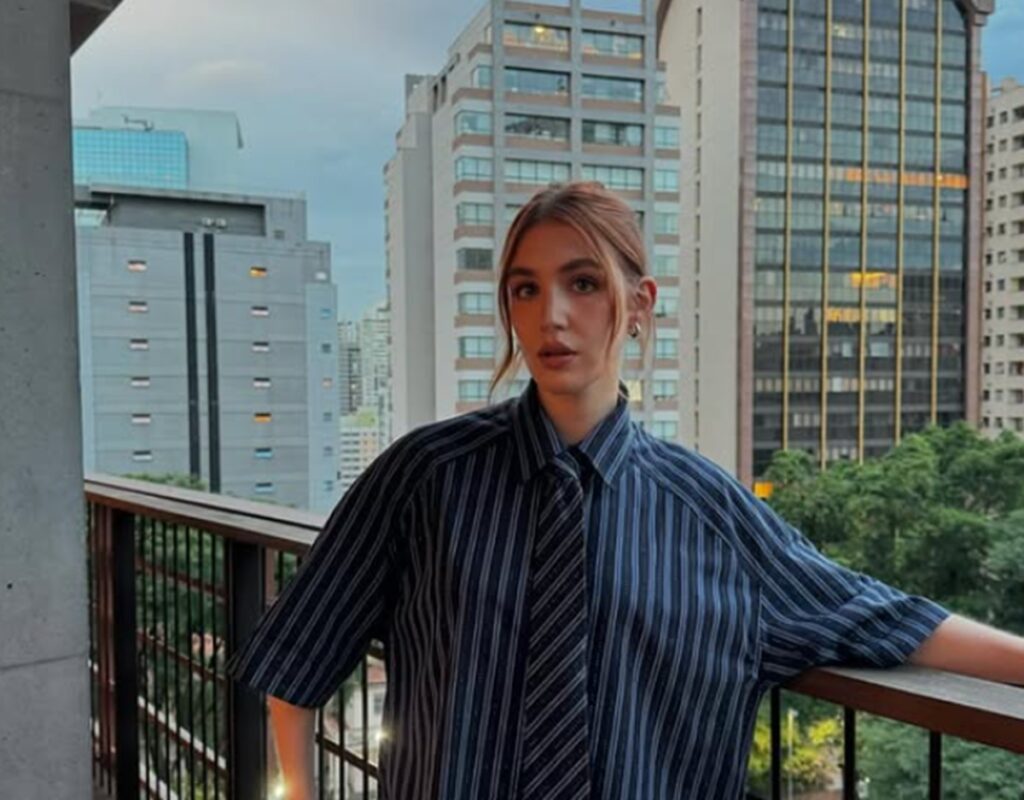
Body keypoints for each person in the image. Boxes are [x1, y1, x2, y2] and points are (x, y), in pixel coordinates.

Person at [226, 181, 1024, 800]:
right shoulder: (426, 476)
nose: (554, 317)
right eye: (526, 289)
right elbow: (301, 658)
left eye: (583, 283)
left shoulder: (705, 512)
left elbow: (882, 617)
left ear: (638, 305)